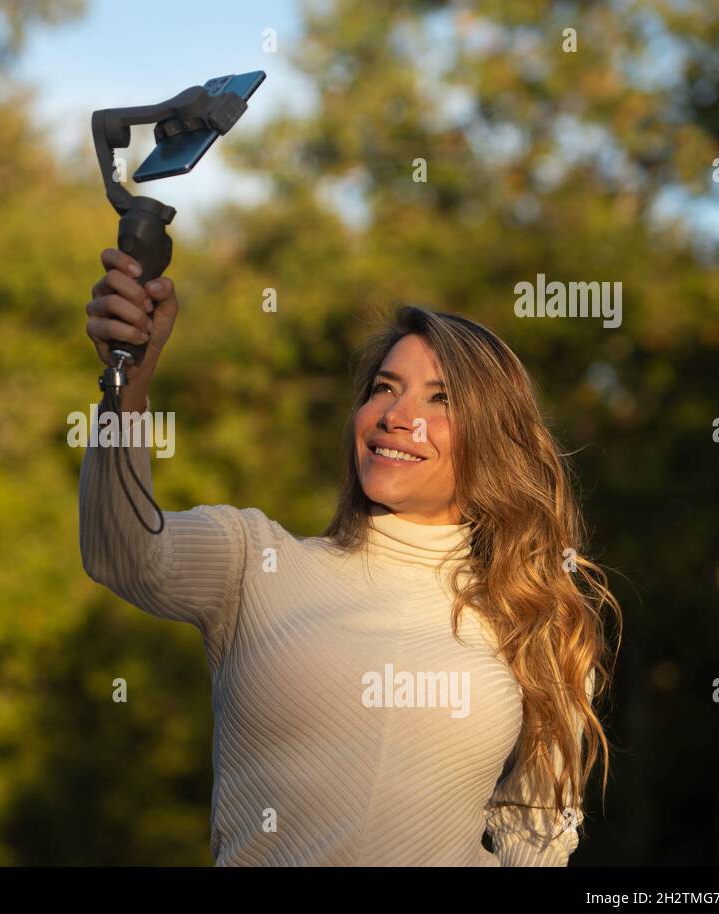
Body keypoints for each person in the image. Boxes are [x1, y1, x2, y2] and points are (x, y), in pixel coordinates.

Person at [79, 247, 621, 866]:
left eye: (439, 400)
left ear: (495, 440)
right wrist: (131, 380)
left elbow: (539, 840)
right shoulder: (255, 561)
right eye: (384, 389)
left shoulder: (529, 618)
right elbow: (119, 550)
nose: (398, 417)